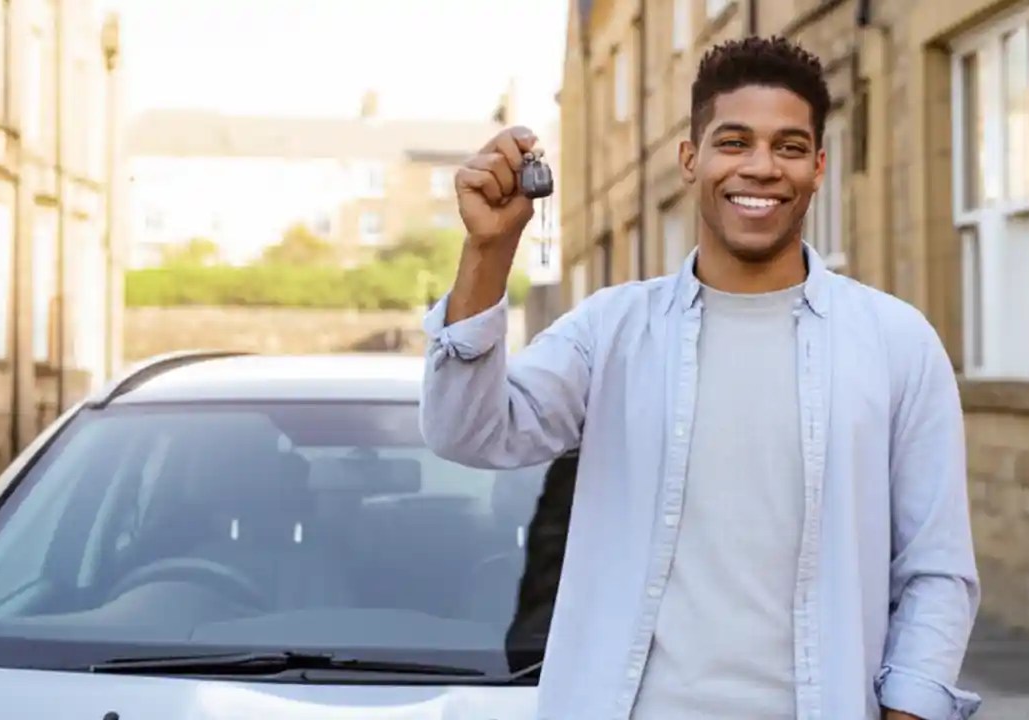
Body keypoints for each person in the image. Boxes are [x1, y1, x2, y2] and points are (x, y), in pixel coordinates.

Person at [419, 35, 981, 720]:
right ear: (692, 159)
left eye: (790, 147)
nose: (762, 167)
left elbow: (937, 572)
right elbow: (468, 434)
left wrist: (908, 712)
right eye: (735, 142)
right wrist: (487, 251)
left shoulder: (897, 343)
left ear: (819, 167)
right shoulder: (611, 330)